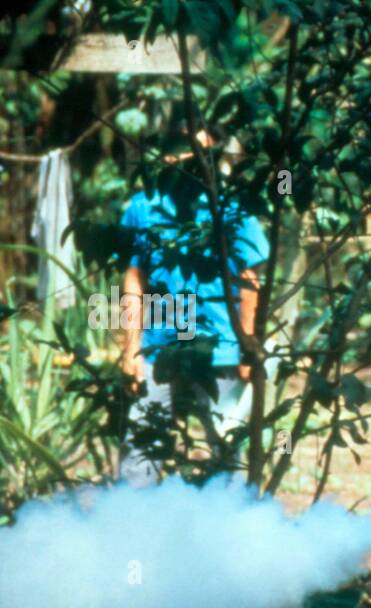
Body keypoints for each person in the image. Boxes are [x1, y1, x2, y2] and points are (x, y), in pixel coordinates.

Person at [117, 114, 268, 487]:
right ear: (166, 156)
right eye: (179, 153)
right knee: (141, 450)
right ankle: (130, 533)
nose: (186, 163)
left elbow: (250, 281)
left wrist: (248, 346)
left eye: (199, 154)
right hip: (158, 350)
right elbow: (133, 280)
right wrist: (129, 351)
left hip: (221, 351)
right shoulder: (143, 208)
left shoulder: (232, 211)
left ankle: (230, 535)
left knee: (228, 451)